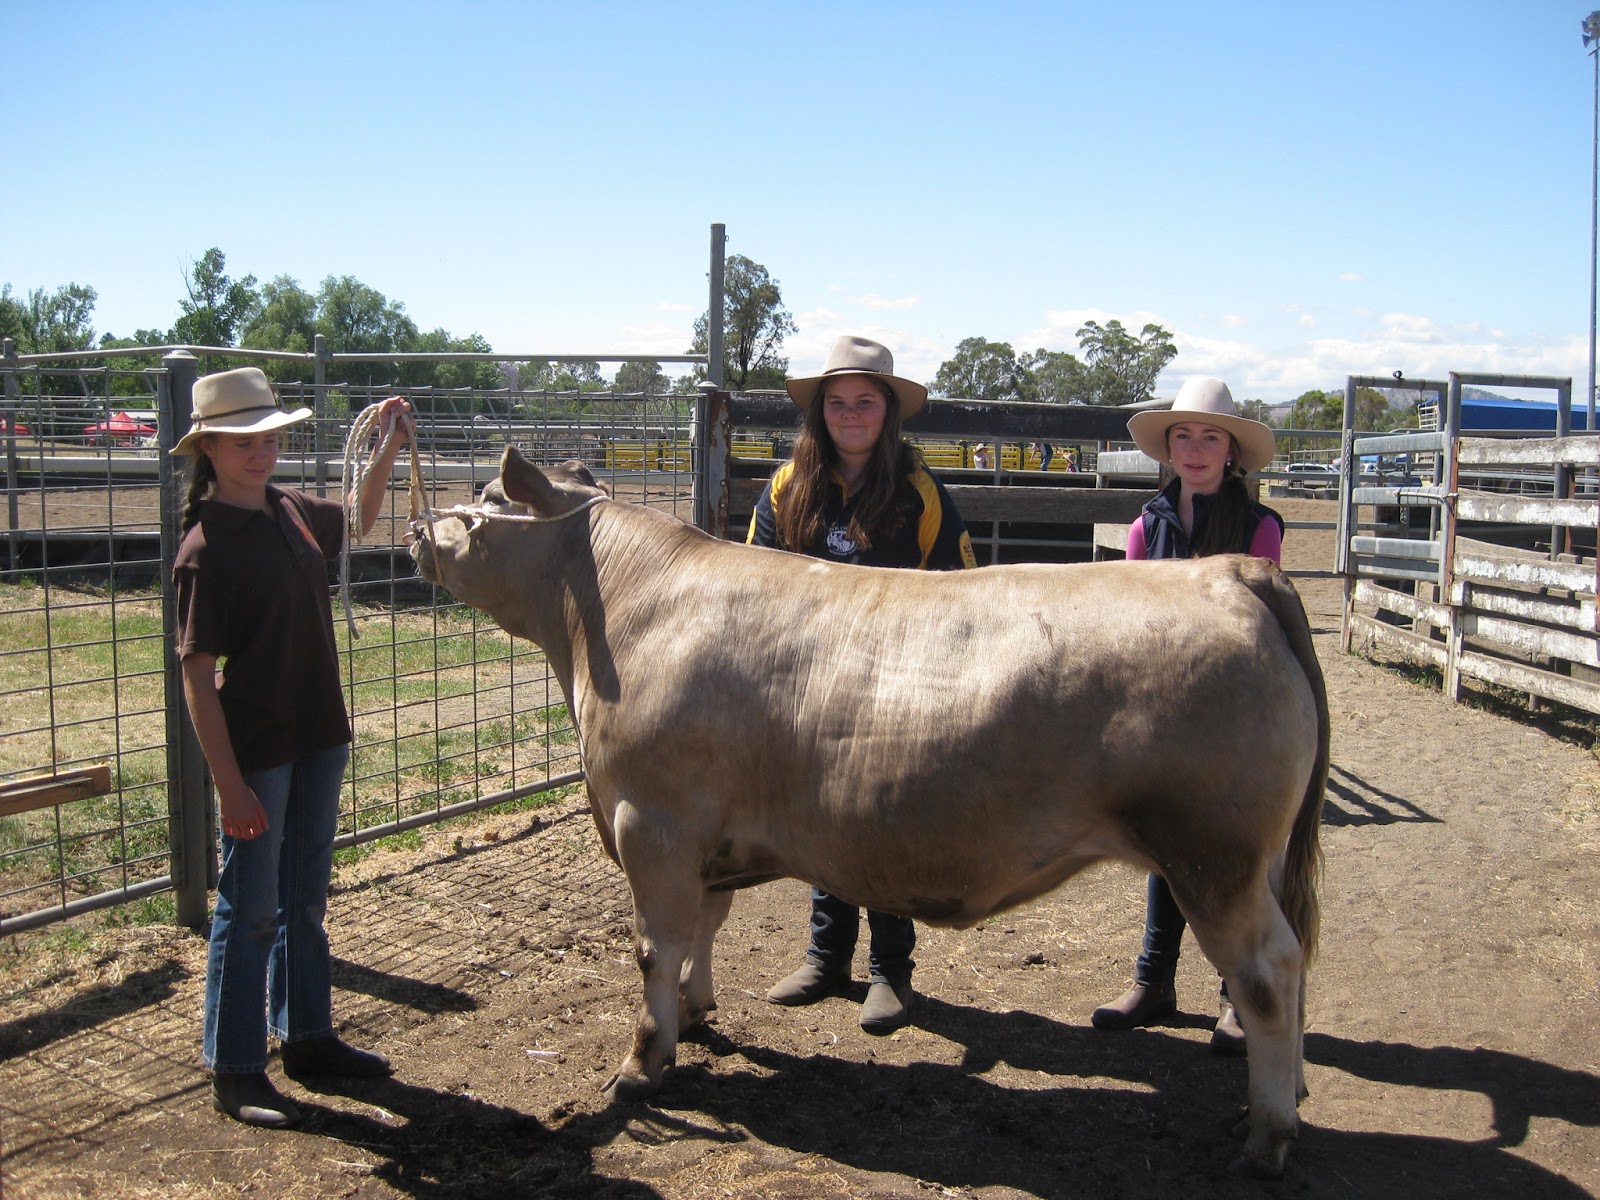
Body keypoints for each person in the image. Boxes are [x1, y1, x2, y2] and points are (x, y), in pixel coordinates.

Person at [171, 367, 412, 1128]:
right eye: (243, 440)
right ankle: (236, 1067)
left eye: (269, 437)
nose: (260, 451)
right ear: (207, 446)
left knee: (304, 900)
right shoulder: (206, 550)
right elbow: (197, 676)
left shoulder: (290, 511)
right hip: (261, 749)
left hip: (317, 735)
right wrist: (230, 785)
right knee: (250, 910)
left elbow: (360, 519)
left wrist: (387, 450)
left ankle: (307, 1036)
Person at [749, 335, 976, 1033]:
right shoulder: (789, 487)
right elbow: (756, 581)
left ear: (887, 413)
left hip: (897, 684)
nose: (850, 414)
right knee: (818, 817)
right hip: (810, 685)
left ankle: (891, 971)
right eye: (838, 403)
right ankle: (826, 957)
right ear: (820, 414)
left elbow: (961, 591)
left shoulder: (921, 493)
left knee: (885, 818)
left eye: (865, 402)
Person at [1091, 376, 1283, 1056]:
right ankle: (1155, 981)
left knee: (1237, 858)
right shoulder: (1147, 528)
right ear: (1168, 450)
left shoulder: (1260, 528)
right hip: (1164, 713)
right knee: (1164, 856)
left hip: (1232, 718)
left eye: (1210, 437)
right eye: (1184, 436)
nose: (1196, 449)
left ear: (1231, 452)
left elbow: (1264, 629)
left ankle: (1236, 994)